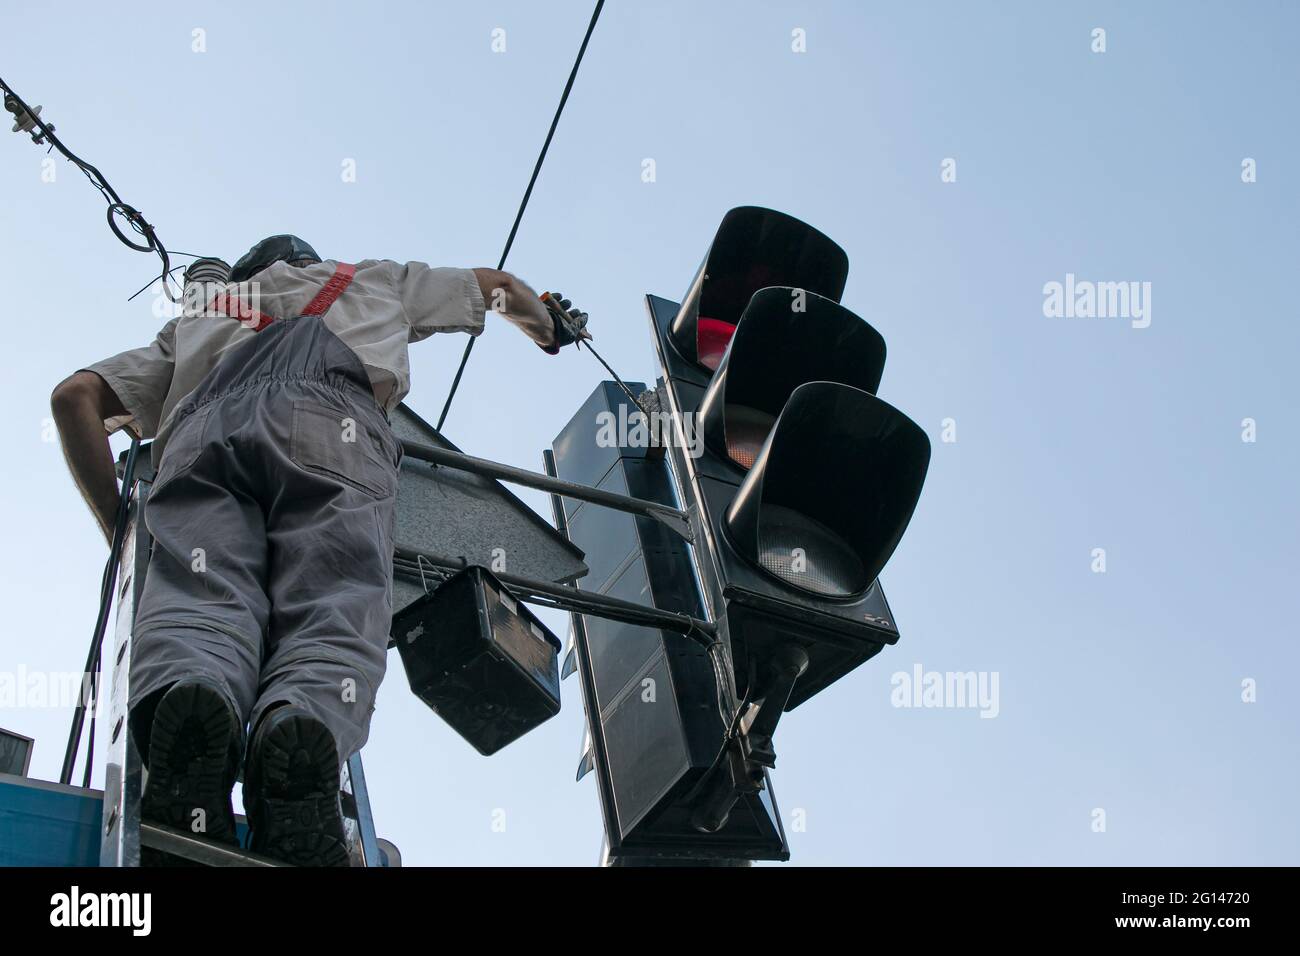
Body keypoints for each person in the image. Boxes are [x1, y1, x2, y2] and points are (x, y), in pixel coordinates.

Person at [49, 235, 588, 865]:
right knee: (333, 602)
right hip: (337, 433)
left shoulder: (199, 318)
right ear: (312, 261)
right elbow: (500, 286)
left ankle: (191, 693)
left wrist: (123, 531)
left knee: (202, 597)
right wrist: (547, 326)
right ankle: (300, 723)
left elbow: (73, 399)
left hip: (202, 439)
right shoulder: (373, 280)